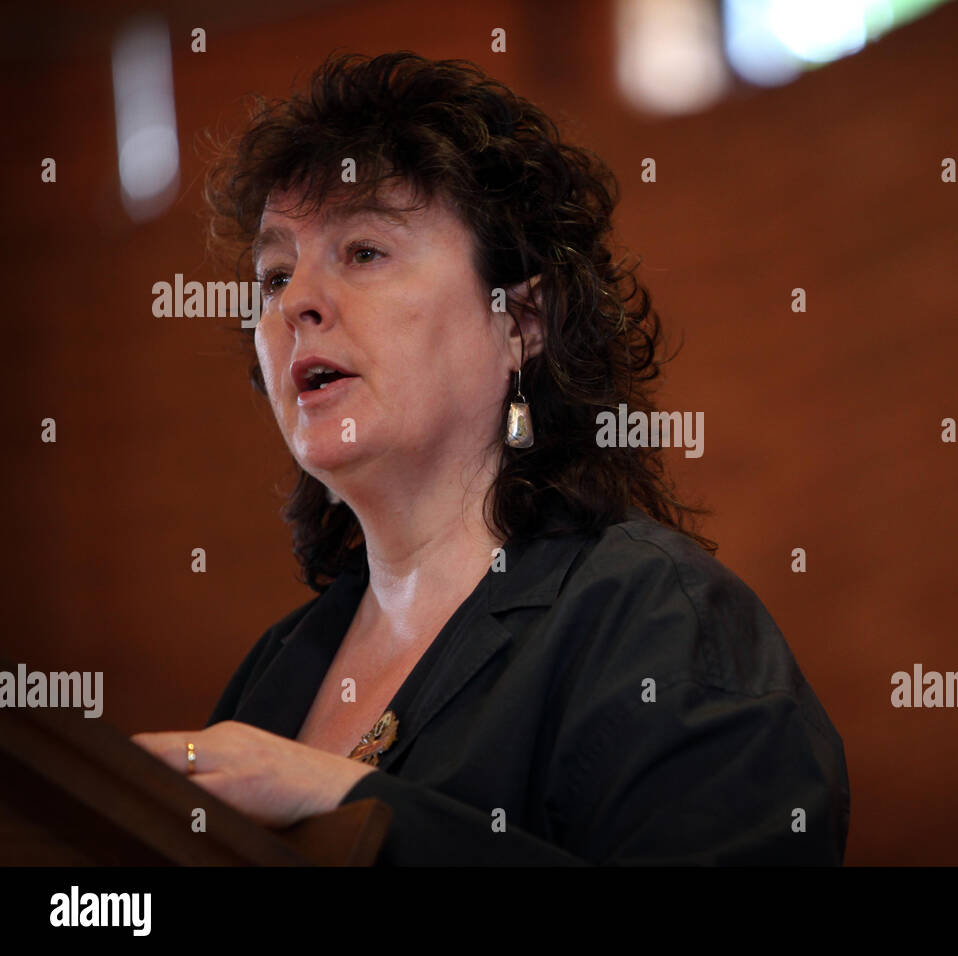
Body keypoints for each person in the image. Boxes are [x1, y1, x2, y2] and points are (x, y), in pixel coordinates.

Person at [131, 52, 849, 865]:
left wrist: (348, 804)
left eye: (364, 251)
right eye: (273, 274)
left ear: (523, 323)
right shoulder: (278, 669)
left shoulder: (656, 621)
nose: (295, 302)